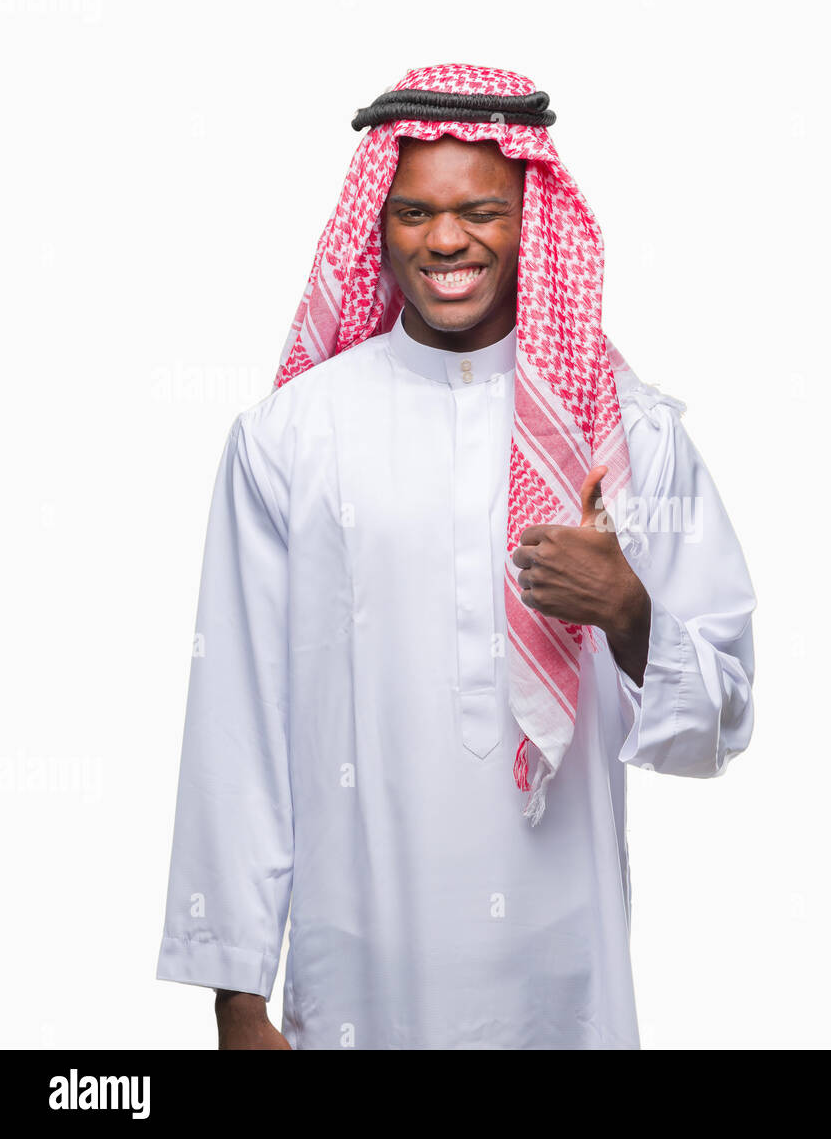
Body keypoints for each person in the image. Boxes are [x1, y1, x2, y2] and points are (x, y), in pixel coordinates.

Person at [155, 63, 757, 1049]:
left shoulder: (624, 433)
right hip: (356, 968)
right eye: (412, 215)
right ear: (376, 225)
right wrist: (235, 993)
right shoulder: (289, 436)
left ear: (533, 221)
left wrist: (630, 614)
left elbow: (722, 720)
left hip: (564, 973)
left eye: (481, 210)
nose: (444, 241)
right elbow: (238, 720)